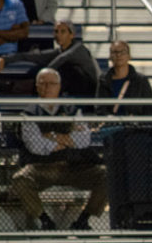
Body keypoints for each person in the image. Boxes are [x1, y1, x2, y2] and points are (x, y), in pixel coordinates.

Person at [11, 68, 108, 231]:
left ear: (59, 86)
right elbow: (36, 147)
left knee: (107, 175)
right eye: (43, 83)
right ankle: (45, 221)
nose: (47, 87)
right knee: (20, 179)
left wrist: (51, 136)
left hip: (74, 166)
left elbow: (83, 140)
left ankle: (83, 221)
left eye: (52, 83)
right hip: (42, 168)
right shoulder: (28, 114)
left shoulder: (72, 109)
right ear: (37, 86)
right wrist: (67, 138)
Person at [0, 20, 100, 100]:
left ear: (72, 35)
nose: (58, 35)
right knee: (40, 67)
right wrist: (4, 59)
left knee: (57, 71)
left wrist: (41, 78)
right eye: (56, 32)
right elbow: (32, 56)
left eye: (63, 32)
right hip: (71, 93)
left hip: (90, 93)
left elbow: (60, 60)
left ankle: (17, 88)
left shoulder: (78, 48)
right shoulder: (58, 51)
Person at [97, 40, 152, 116]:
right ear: (110, 56)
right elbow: (100, 107)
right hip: (111, 125)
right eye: (115, 52)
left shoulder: (141, 80)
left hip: (134, 126)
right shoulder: (104, 80)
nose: (118, 55)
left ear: (129, 56)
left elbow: (149, 109)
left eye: (123, 52)